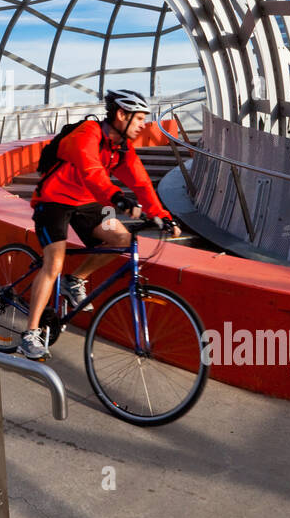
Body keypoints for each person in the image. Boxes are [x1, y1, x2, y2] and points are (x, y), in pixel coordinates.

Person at [19, 89, 180, 360]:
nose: (144, 124)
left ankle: (75, 280)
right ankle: (30, 334)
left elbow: (140, 182)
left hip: (90, 203)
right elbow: (91, 171)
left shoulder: (121, 148)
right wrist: (117, 197)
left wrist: (162, 215)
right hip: (54, 201)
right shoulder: (88, 133)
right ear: (121, 115)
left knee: (123, 239)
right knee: (54, 263)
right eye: (139, 118)